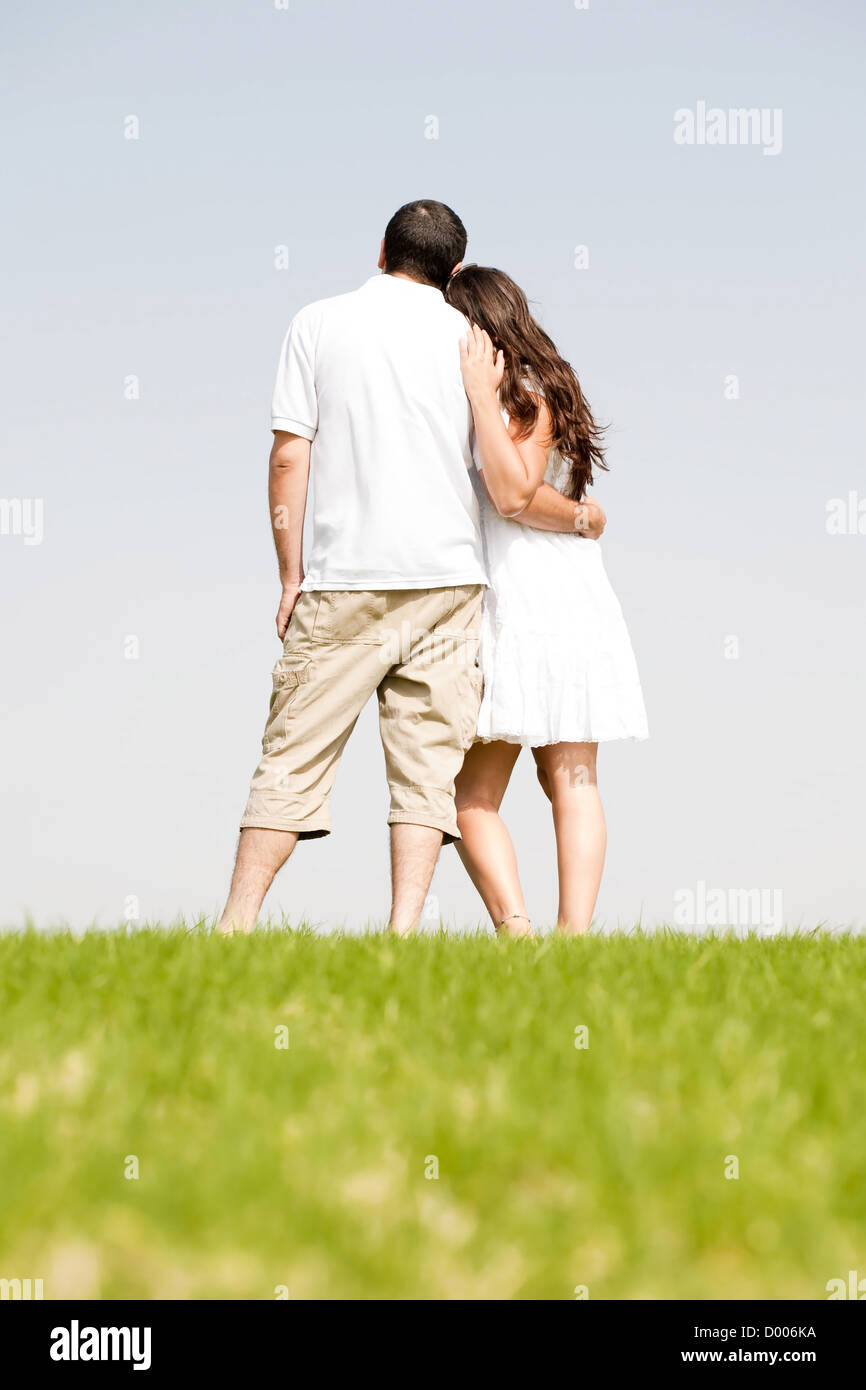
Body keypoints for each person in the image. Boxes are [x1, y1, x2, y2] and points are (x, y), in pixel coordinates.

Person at [216, 205, 604, 937]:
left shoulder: (316, 323)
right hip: (449, 583)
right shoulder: (476, 343)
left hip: (341, 579)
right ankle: (402, 932)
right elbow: (505, 475)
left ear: (382, 249)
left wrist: (289, 572)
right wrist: (585, 516)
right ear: (454, 270)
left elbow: (289, 456)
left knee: (292, 756)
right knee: (426, 773)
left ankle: (236, 924)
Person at [444, 266, 648, 938]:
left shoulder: (519, 393)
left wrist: (479, 396)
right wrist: (584, 517)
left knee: (504, 789)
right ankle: (558, 938)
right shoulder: (538, 384)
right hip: (561, 589)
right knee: (563, 780)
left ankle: (532, 932)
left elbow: (511, 494)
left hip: (530, 596)